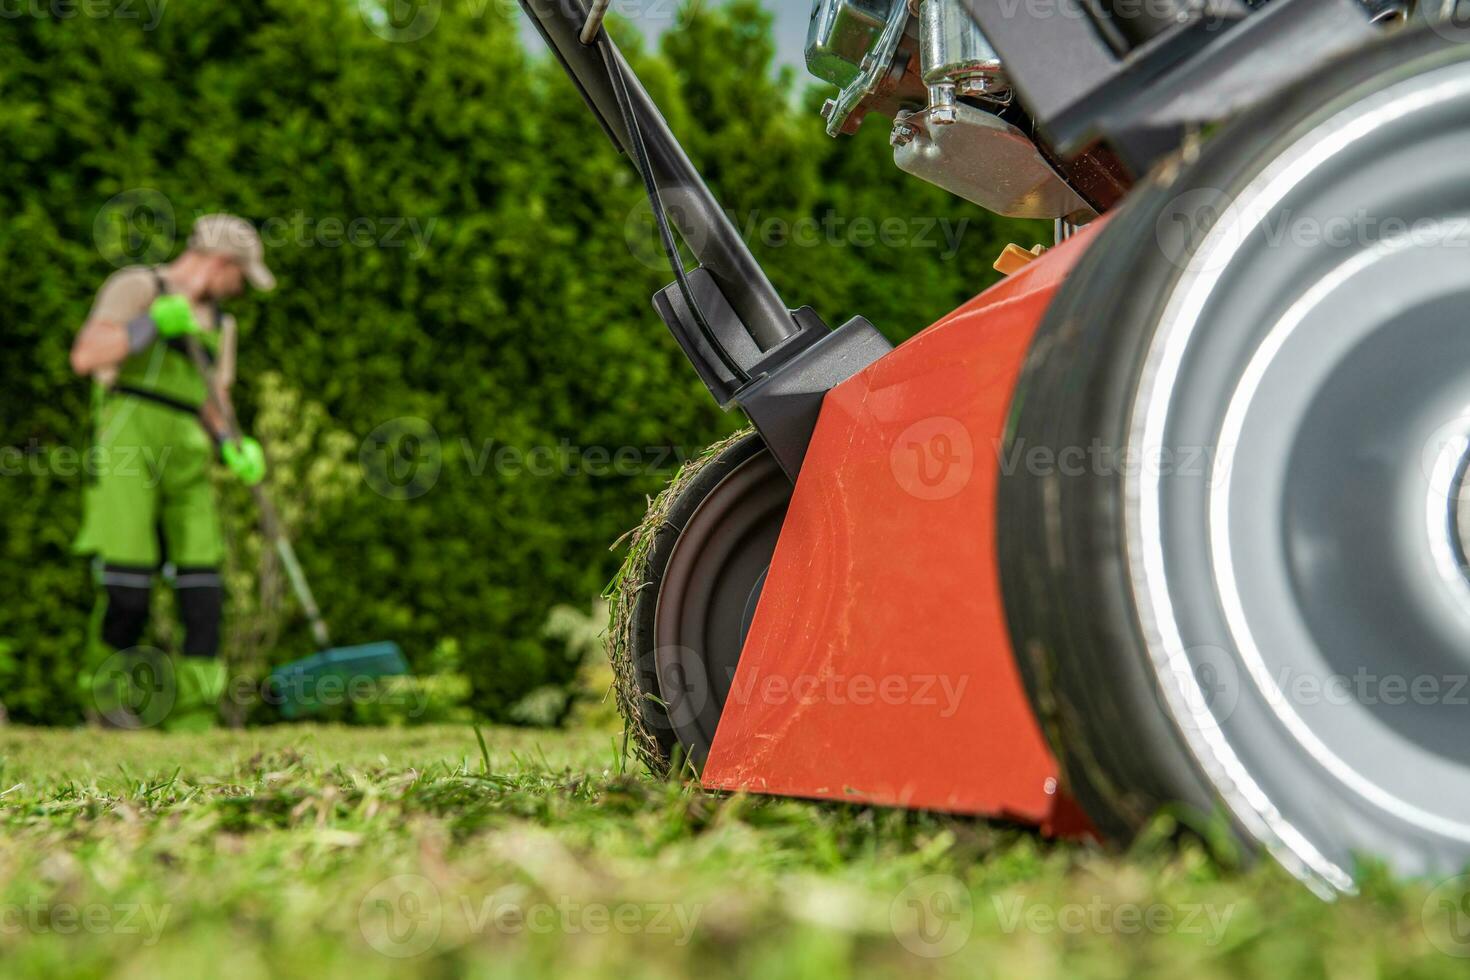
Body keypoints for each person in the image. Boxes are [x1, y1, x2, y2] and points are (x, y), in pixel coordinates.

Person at [70, 214, 275, 726]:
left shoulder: (222, 323)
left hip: (187, 448)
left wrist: (233, 442)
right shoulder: (138, 286)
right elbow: (87, 356)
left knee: (203, 583)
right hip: (128, 443)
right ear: (221, 264)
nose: (241, 291)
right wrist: (151, 324)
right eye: (241, 278)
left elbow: (213, 398)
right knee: (128, 583)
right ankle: (105, 701)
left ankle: (194, 712)